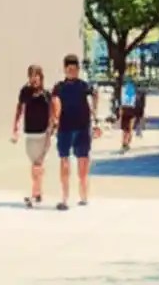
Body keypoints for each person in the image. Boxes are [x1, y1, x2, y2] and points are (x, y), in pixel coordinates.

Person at [51, 53, 99, 211]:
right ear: (65, 69)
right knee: (64, 161)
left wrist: (96, 119)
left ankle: (84, 195)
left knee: (83, 162)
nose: (72, 71)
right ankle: (64, 198)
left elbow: (94, 98)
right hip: (65, 128)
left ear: (78, 69)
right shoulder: (59, 87)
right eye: (69, 69)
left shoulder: (84, 86)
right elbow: (55, 103)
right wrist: (55, 120)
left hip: (82, 127)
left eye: (75, 69)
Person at [11, 64, 52, 208]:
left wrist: (51, 132)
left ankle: (35, 195)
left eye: (36, 75)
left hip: (43, 134)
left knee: (37, 165)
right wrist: (15, 129)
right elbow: (19, 110)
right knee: (35, 165)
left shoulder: (47, 95)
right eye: (31, 75)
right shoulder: (25, 92)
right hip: (30, 134)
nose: (34, 79)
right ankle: (38, 192)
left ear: (41, 77)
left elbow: (51, 115)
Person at [119, 75, 138, 152]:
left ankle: (125, 143)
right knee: (129, 128)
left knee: (125, 129)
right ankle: (126, 143)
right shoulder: (133, 89)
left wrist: (120, 110)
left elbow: (122, 100)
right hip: (131, 109)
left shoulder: (123, 89)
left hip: (125, 109)